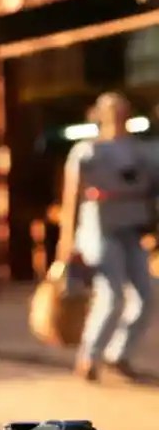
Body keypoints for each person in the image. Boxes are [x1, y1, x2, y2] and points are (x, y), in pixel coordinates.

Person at [67, 92, 158, 382]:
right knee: (112, 294)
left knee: (145, 297)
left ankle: (118, 355)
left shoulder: (140, 151)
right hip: (101, 230)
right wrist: (65, 243)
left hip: (133, 229)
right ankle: (89, 357)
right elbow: (71, 197)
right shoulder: (88, 151)